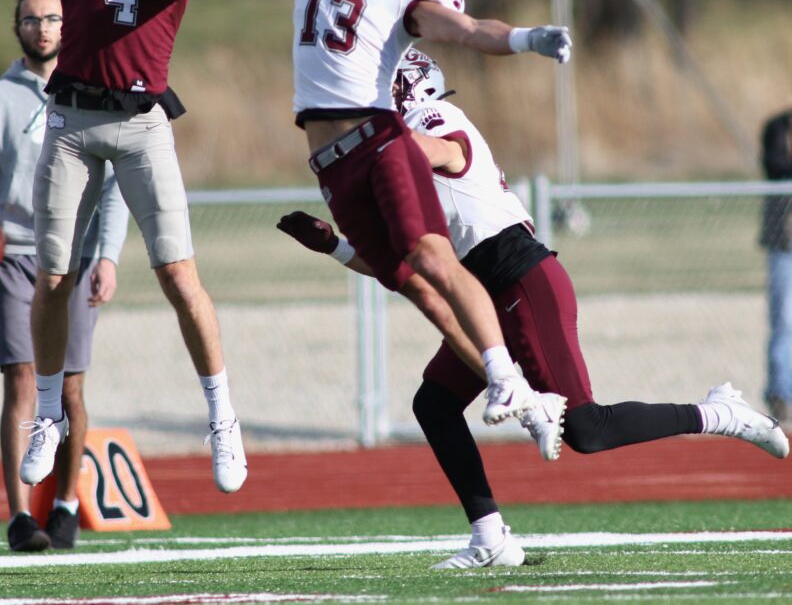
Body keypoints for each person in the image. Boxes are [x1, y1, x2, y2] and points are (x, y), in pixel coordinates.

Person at [279, 50, 790, 570]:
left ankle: (720, 413)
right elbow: (403, 268)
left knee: (587, 428)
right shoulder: (395, 150)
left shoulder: (431, 120)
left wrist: (359, 150)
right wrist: (336, 246)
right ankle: (491, 537)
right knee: (434, 404)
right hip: (483, 296)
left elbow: (443, 152)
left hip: (521, 277)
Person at [206, 0, 572, 428]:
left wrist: (525, 39)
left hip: (378, 136)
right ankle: (515, 392)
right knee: (410, 281)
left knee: (432, 255)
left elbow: (465, 31)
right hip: (329, 158)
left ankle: (502, 377)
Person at [19, 0, 247, 496]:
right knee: (53, 276)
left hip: (145, 121)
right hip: (71, 118)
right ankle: (48, 413)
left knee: (180, 276)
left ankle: (223, 417)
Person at [0, 0, 129, 552]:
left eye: (52, 19)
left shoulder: (96, 91)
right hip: (17, 256)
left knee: (69, 387)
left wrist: (110, 256)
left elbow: (116, 181)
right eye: (31, 20)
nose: (43, 28)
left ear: (69, 27)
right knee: (20, 378)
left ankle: (67, 505)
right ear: (16, 27)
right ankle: (21, 517)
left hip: (77, 256)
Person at [760, 107, 792, 426]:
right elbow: (776, 165)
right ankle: (781, 394)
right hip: (785, 241)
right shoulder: (779, 127)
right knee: (784, 320)